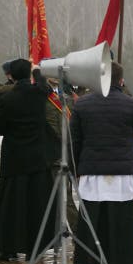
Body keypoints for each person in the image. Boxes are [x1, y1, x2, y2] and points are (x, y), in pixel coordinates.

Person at [71, 62, 133, 264]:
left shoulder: (82, 105)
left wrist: (75, 169)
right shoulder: (131, 104)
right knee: (122, 221)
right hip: (121, 170)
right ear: (121, 80)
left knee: (95, 220)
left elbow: (75, 141)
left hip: (92, 169)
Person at [0, 59, 55, 261]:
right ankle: (36, 247)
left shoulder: (7, 98)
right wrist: (38, 71)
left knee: (12, 207)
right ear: (29, 75)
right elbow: (44, 86)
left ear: (12, 76)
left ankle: (8, 248)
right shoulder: (39, 93)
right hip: (37, 158)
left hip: (15, 159)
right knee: (37, 204)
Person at [43, 77, 78, 228]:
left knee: (65, 192)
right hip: (53, 151)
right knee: (64, 193)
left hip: (68, 150)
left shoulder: (67, 97)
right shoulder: (42, 96)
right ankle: (77, 228)